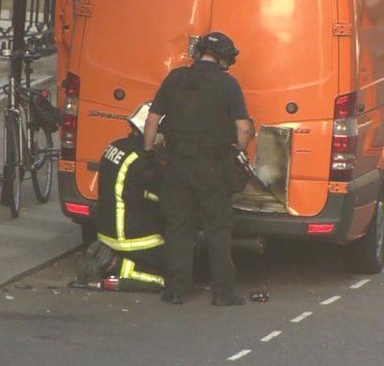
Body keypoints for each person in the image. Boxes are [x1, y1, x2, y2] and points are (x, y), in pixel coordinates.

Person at [144, 31, 254, 306]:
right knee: (218, 229)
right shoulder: (228, 85)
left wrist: (148, 153)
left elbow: (153, 119)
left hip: (178, 166)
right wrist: (239, 152)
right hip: (212, 168)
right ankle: (223, 292)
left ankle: (175, 290)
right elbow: (242, 127)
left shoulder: (175, 79)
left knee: (179, 227)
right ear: (223, 58)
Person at [81, 103, 165, 289]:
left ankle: (107, 257)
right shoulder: (144, 162)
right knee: (174, 273)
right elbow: (164, 195)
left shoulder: (115, 146)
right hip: (131, 240)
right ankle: (116, 266)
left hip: (105, 234)